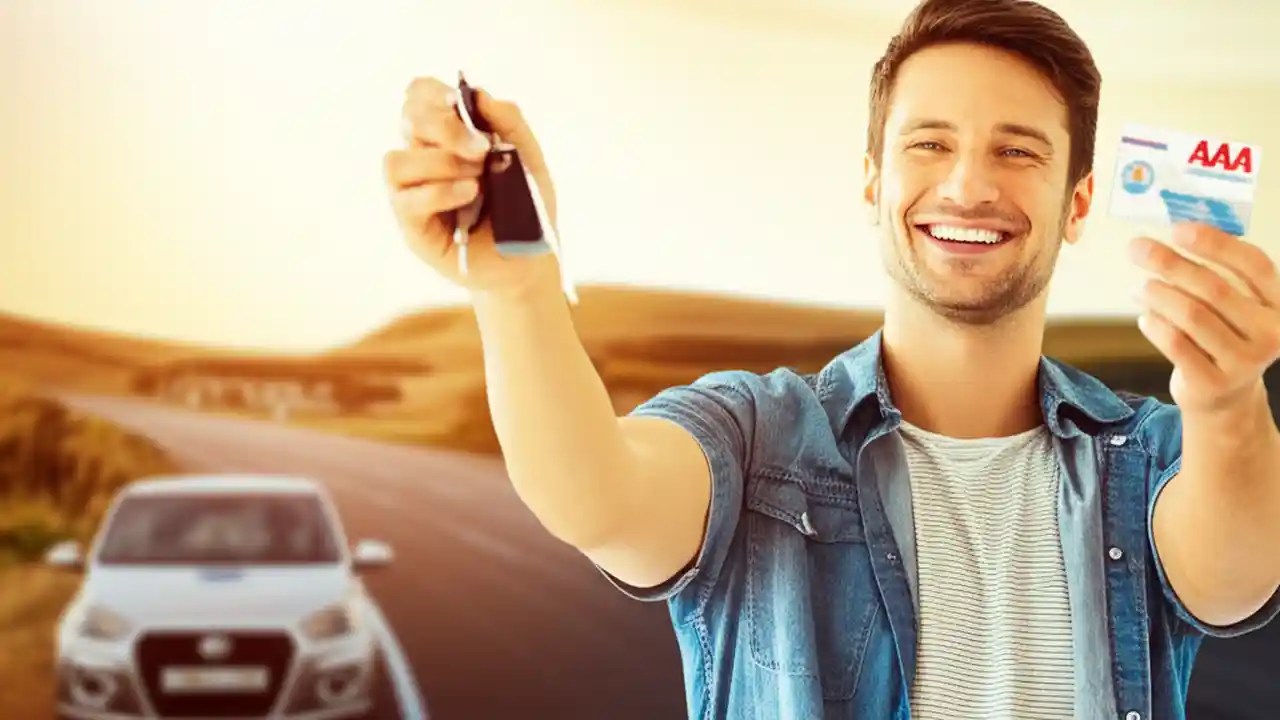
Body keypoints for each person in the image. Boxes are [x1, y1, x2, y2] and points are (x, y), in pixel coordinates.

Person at [383, 0, 1280, 717]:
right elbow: (593, 494)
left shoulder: (1157, 452)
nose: (969, 184)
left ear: (1079, 203)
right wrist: (517, 289)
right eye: (930, 144)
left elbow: (1236, 578)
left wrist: (1227, 400)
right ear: (871, 180)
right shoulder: (754, 433)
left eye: (1018, 151)